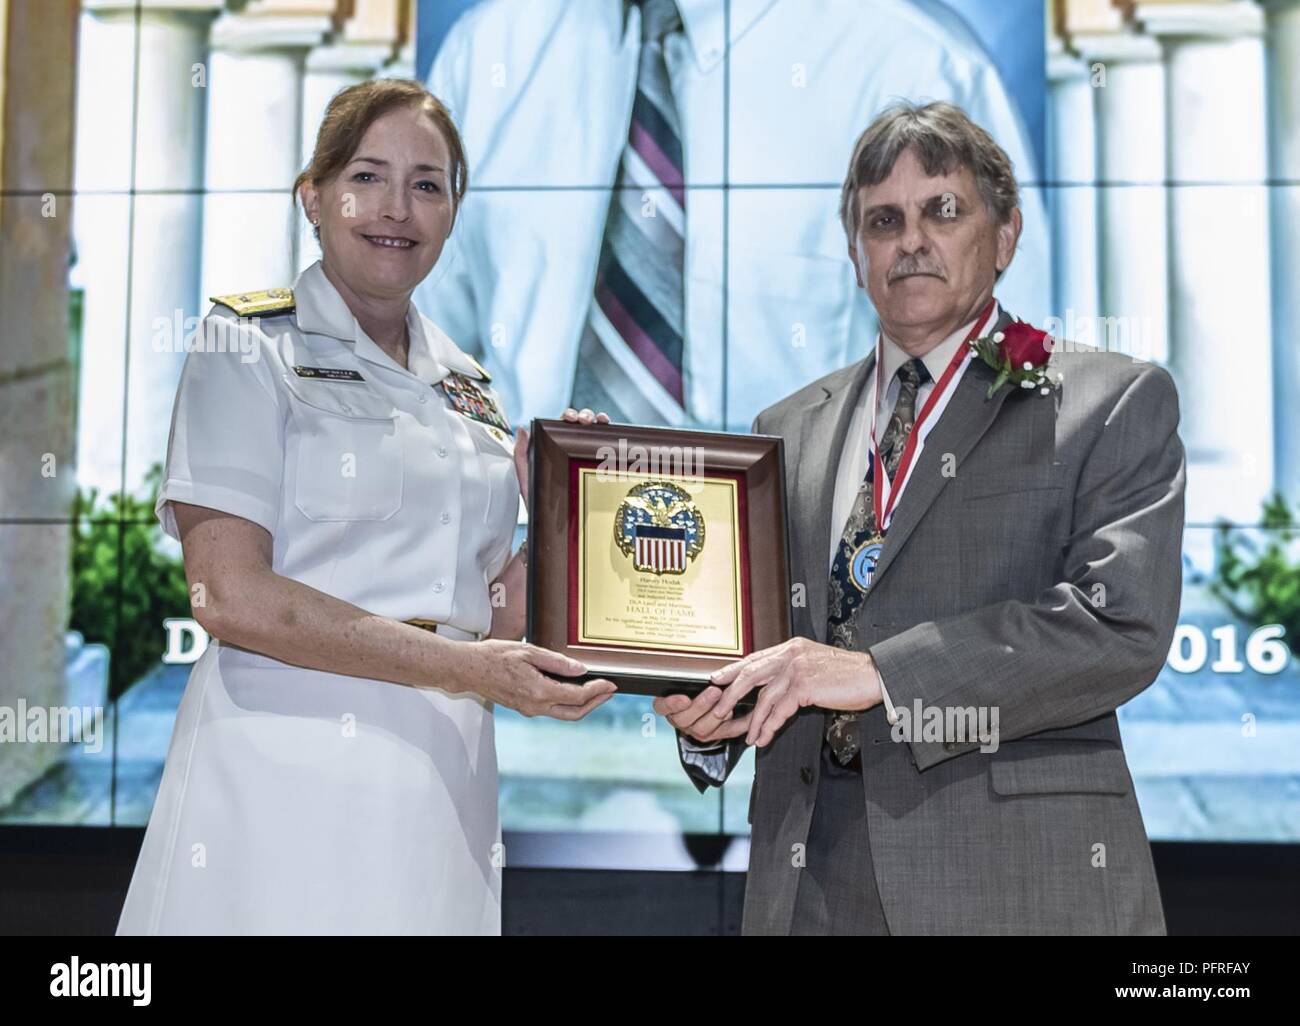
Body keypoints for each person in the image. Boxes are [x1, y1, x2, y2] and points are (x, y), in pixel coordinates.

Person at [655, 101, 1185, 935]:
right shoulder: (783, 428)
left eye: (944, 210)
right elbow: (767, 651)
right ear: (857, 253)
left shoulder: (1108, 400)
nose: (911, 240)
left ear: (1004, 236)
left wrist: (881, 674)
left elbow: (1119, 626)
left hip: (1015, 881)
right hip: (807, 885)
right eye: (883, 220)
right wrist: (711, 721)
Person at [116, 79, 614, 936]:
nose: (398, 208)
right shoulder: (245, 347)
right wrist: (462, 670)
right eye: (368, 176)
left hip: (436, 796)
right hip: (278, 782)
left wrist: (565, 517)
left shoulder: (472, 392)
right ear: (313, 195)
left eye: (428, 184)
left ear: (455, 211)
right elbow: (230, 596)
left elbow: (489, 613)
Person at [417, 0, 1051, 431]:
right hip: (533, 597)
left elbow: (1003, 399)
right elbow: (424, 358)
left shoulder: (912, 63)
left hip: (829, 604)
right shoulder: (487, 56)